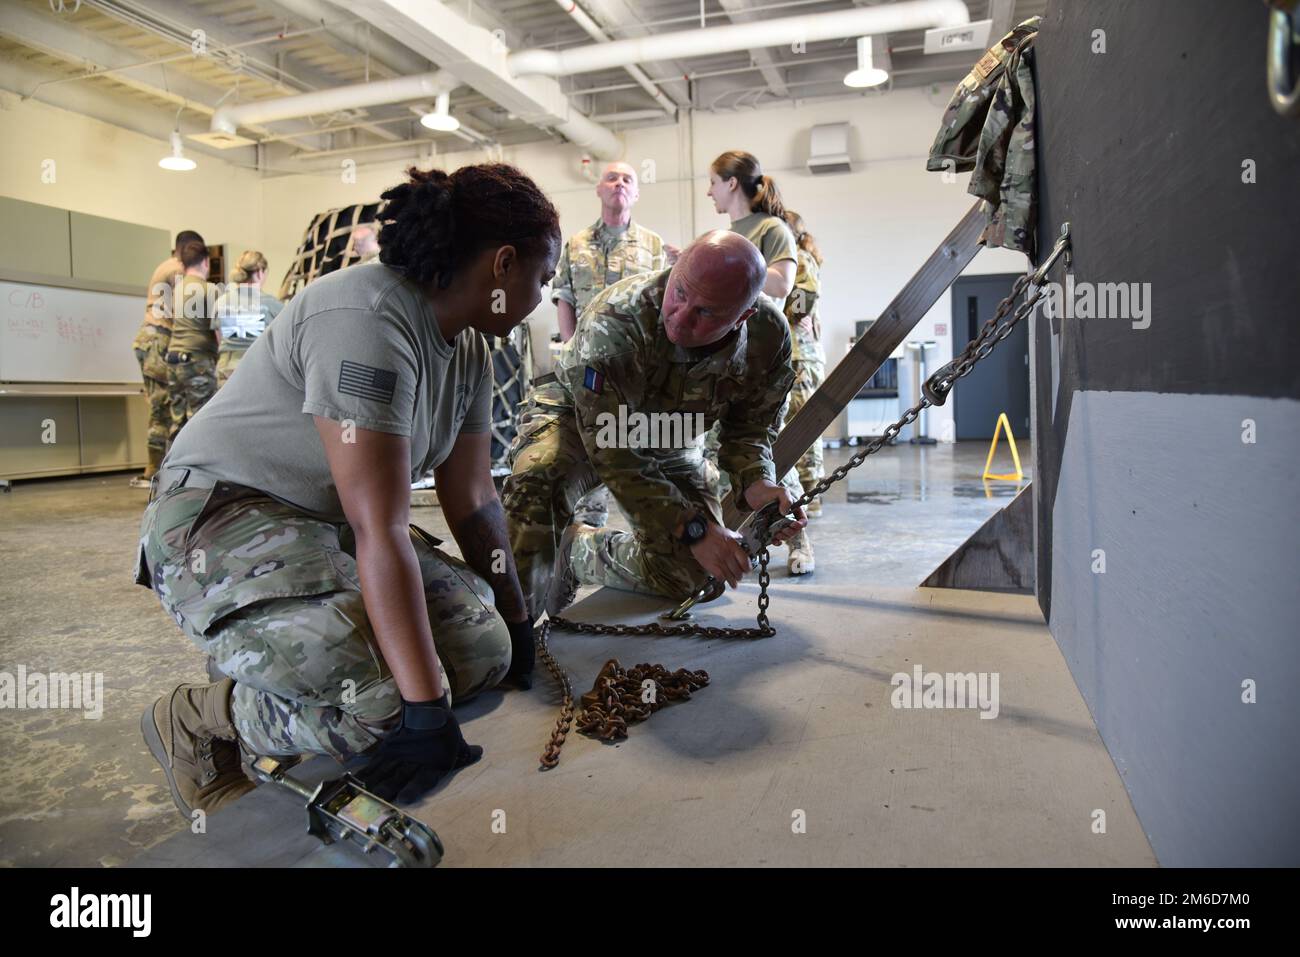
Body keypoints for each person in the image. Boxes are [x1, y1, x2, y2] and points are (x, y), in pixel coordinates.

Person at [135, 163, 559, 816]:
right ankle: (204, 714)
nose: (543, 294)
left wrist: (518, 616)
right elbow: (380, 526)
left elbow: (473, 498)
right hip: (217, 518)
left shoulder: (470, 348)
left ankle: (290, 642)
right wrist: (422, 711)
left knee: (485, 649)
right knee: (385, 708)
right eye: (543, 276)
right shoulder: (368, 317)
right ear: (504, 264)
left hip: (322, 528)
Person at [503, 231, 806, 618]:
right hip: (581, 421)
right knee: (539, 476)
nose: (680, 316)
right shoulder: (617, 318)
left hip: (670, 436)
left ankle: (579, 552)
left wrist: (758, 484)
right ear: (674, 269)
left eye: (706, 312)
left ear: (743, 316)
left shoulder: (768, 336)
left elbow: (750, 430)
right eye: (679, 293)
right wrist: (692, 527)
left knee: (698, 574)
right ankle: (515, 633)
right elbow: (614, 449)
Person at [705, 150, 816, 573]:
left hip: (761, 355)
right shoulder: (729, 231)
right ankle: (732, 540)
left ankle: (799, 540)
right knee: (723, 454)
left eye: (713, 182)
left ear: (731, 183)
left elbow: (784, 286)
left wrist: (727, 267)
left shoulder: (772, 229)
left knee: (763, 449)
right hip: (725, 356)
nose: (708, 190)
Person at [551, 161, 674, 529]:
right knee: (592, 439)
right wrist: (574, 349)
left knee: (642, 441)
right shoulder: (575, 244)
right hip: (589, 363)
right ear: (599, 190)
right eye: (611, 177)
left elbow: (661, 303)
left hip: (638, 362)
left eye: (627, 179)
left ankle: (651, 527)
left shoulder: (653, 244)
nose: (619, 183)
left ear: (635, 193)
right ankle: (589, 527)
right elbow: (564, 298)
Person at [129, 230, 203, 488]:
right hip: (158, 340)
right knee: (162, 407)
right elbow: (189, 307)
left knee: (161, 405)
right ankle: (155, 471)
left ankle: (156, 468)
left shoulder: (165, 265)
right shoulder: (177, 270)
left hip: (150, 338)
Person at [780, 210, 828, 518]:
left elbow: (803, 298)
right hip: (793, 355)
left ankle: (811, 496)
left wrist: (780, 313)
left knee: (802, 425)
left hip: (801, 356)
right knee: (791, 426)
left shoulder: (798, 257)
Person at [164, 240, 219, 448]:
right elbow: (218, 329)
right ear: (206, 262)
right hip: (198, 360)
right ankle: (199, 476)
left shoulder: (174, 289)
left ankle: (171, 472)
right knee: (201, 421)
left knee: (177, 422)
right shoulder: (209, 290)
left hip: (173, 358)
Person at [211, 250, 284, 388]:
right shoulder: (273, 306)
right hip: (258, 371)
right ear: (259, 273)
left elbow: (219, 339)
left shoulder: (221, 302)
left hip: (226, 371)